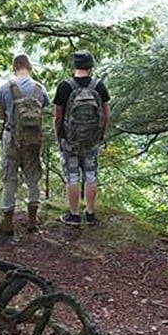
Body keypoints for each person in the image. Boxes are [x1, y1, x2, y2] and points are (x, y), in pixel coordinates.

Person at [0, 53, 50, 235]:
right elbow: (44, 109)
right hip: (32, 140)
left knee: (9, 178)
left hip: (11, 137)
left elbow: (1, 114)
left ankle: (8, 222)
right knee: (33, 179)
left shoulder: (5, 87)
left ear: (14, 67)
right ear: (30, 67)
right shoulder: (40, 89)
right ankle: (32, 220)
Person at [54, 50, 110, 226]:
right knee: (91, 174)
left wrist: (59, 136)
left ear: (75, 66)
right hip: (92, 140)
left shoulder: (65, 86)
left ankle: (74, 215)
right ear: (91, 66)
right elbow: (106, 114)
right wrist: (100, 134)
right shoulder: (98, 86)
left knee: (72, 176)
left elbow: (58, 117)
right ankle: (91, 213)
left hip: (70, 140)